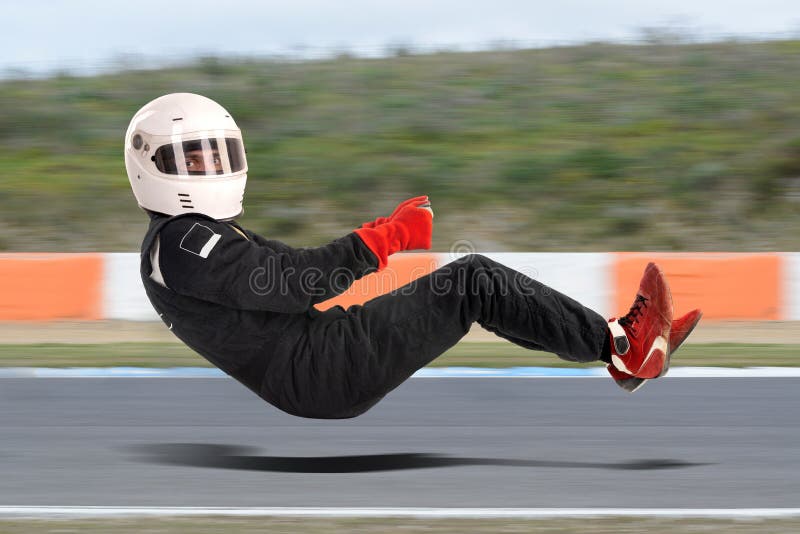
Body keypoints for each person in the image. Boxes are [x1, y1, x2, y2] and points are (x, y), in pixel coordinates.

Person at [125, 93, 702, 419]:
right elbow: (292, 283)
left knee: (478, 295)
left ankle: (620, 348)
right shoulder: (182, 243)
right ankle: (623, 347)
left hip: (318, 359)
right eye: (193, 159)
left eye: (217, 155)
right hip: (321, 368)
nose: (213, 169)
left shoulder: (190, 239)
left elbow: (292, 270)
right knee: (474, 282)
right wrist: (386, 239)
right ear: (151, 164)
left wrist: (377, 234)